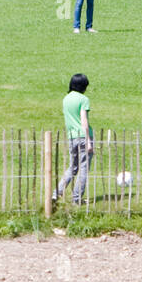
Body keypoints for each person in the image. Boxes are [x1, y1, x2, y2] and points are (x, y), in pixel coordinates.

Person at [55, 73, 93, 206]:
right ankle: (76, 199)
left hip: (71, 136)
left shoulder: (66, 99)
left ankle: (57, 193)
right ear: (83, 86)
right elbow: (84, 121)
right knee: (84, 168)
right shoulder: (83, 99)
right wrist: (88, 141)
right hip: (83, 136)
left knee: (73, 167)